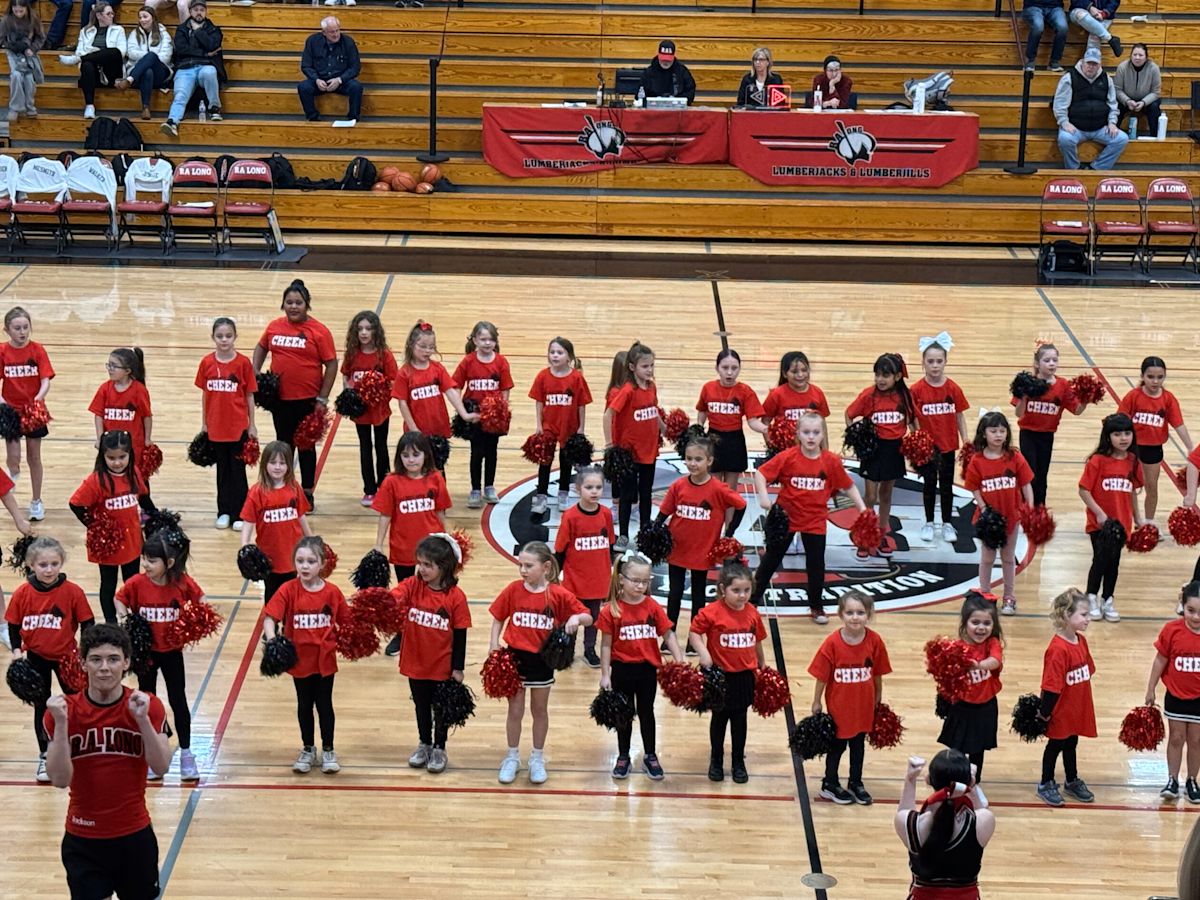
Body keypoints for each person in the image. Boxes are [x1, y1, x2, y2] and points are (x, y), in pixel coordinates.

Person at [44, 624, 172, 900]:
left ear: (126, 662)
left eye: (113, 659)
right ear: (83, 663)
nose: (105, 668)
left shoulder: (147, 705)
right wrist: (63, 725)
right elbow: (59, 779)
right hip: (82, 839)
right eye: (96, 659)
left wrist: (141, 721)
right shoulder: (62, 712)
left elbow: (161, 767)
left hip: (133, 836)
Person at [489, 541, 591, 785]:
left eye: (528, 565)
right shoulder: (513, 589)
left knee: (539, 710)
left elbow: (588, 616)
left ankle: (537, 757)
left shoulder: (557, 593)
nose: (523, 570)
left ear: (546, 567)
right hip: (514, 657)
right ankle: (512, 756)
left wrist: (576, 618)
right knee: (515, 710)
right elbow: (497, 617)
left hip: (542, 660)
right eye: (520, 565)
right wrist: (493, 644)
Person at [752, 411, 865, 623]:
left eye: (815, 432)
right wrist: (764, 498)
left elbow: (848, 486)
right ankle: (752, 600)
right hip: (785, 518)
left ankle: (816, 606)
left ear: (823, 434)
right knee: (771, 559)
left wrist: (862, 508)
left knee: (816, 564)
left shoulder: (830, 462)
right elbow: (761, 474)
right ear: (798, 434)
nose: (811, 437)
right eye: (806, 432)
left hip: (815, 521)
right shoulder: (788, 457)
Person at [114, 529, 205, 782]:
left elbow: (201, 599)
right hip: (147, 655)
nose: (145, 565)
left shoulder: (181, 582)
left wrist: (193, 620)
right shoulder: (136, 583)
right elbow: (119, 599)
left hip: (172, 652)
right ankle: (154, 755)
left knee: (178, 700)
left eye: (152, 561)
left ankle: (186, 753)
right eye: (144, 559)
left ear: (170, 563)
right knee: (148, 701)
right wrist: (125, 618)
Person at [5, 536, 93, 783]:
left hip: (68, 657)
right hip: (36, 658)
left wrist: (86, 653)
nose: (49, 569)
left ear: (62, 562)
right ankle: (45, 755)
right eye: (43, 565)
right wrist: (16, 652)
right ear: (31, 565)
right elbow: (13, 625)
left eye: (54, 563)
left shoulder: (73, 591)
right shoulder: (23, 593)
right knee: (41, 707)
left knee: (77, 703)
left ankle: (80, 750)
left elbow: (88, 622)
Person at [263, 536, 349, 775]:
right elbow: (270, 617)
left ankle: (329, 749)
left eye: (311, 561)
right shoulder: (288, 589)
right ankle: (308, 748)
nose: (305, 566)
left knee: (324, 705)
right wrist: (273, 641)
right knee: (304, 705)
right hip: (299, 660)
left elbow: (347, 622)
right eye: (300, 561)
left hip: (324, 660)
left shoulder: (333, 593)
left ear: (322, 564)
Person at [597, 552, 684, 781]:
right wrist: (605, 674)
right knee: (623, 714)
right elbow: (605, 645)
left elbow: (668, 633)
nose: (640, 585)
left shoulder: (652, 607)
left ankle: (650, 755)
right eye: (635, 581)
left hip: (647, 671)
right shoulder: (611, 610)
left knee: (647, 713)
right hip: (622, 670)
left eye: (645, 581)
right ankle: (623, 755)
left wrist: (680, 660)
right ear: (621, 579)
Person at [252, 279, 338, 509]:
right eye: (289, 302)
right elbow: (261, 347)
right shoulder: (274, 327)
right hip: (280, 400)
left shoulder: (319, 332)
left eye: (298, 302)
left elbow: (331, 364)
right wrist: (255, 373)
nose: (293, 306)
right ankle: (285, 489)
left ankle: (307, 493)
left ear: (307, 305)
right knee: (284, 445)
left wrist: (323, 397)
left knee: (306, 447)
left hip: (308, 400)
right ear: (283, 304)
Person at [394, 534, 470, 775]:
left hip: (441, 665)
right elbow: (396, 595)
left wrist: (457, 668)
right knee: (421, 705)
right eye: (420, 563)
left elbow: (460, 635)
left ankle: (440, 747)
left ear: (444, 566)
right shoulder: (413, 585)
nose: (422, 569)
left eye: (428, 565)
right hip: (414, 661)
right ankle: (424, 743)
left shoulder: (455, 597)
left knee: (441, 708)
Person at [658, 432, 745, 638]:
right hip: (677, 548)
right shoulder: (678, 485)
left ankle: (693, 637)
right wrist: (654, 530)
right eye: (689, 459)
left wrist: (729, 533)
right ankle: (669, 636)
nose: (693, 464)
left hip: (703, 550)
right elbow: (664, 513)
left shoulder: (718, 488)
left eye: (698, 459)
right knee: (675, 593)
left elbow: (741, 505)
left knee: (698, 596)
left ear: (709, 461)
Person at [809, 590, 892, 804]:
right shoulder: (832, 643)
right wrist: (816, 701)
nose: (855, 617)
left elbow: (878, 673)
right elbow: (821, 676)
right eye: (850, 612)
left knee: (858, 745)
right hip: (839, 707)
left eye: (860, 612)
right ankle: (829, 783)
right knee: (837, 746)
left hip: (863, 707)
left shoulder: (874, 641)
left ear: (869, 615)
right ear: (840, 614)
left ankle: (856, 781)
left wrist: (878, 698)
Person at [692, 561, 766, 783]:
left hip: (745, 676)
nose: (742, 595)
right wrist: (704, 654)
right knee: (719, 719)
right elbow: (694, 633)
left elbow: (757, 640)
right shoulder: (711, 612)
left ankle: (737, 761)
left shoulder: (752, 613)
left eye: (746, 590)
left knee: (740, 719)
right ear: (723, 589)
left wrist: (762, 664)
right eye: (736, 590)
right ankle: (716, 760)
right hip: (720, 676)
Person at [69, 430, 154, 624]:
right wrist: (96, 527)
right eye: (111, 458)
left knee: (132, 582)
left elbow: (144, 499)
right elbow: (75, 504)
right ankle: (111, 622)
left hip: (132, 540)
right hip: (109, 544)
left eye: (122, 457)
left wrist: (157, 520)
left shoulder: (134, 473)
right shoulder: (96, 480)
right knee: (108, 584)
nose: (117, 462)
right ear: (103, 456)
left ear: (130, 454)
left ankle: (134, 620)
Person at [895, 751, 995, 899]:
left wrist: (910, 779)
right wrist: (971, 785)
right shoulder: (982, 821)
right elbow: (981, 810)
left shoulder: (912, 824)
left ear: (928, 779)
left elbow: (903, 811)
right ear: (969, 782)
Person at [963, 411, 1034, 615]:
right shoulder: (977, 460)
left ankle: (1009, 597)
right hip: (989, 520)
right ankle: (985, 593)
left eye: (1002, 430)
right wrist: (984, 508)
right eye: (993, 431)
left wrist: (1028, 508)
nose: (998, 435)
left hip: (1011, 516)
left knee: (1008, 558)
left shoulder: (1015, 456)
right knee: (987, 558)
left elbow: (1026, 483)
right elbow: (974, 487)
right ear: (983, 434)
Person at [845, 353, 915, 559]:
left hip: (894, 450)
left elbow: (912, 421)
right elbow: (849, 414)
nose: (880, 380)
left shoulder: (904, 397)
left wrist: (918, 439)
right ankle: (865, 535)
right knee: (871, 496)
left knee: (886, 495)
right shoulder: (869, 396)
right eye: (877, 375)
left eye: (886, 375)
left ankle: (881, 533)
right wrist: (857, 436)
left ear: (898, 376)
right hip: (874, 450)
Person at [1078, 412, 1144, 623]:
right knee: (1100, 559)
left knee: (1113, 562)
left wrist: (1139, 519)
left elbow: (1132, 492)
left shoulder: (1133, 461)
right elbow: (1083, 490)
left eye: (1127, 433)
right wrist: (1099, 513)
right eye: (1117, 434)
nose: (1123, 438)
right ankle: (1091, 596)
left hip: (1122, 524)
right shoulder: (1097, 461)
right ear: (1108, 436)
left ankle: (1107, 598)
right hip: (1099, 524)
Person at [195, 316, 257, 530]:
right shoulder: (206, 363)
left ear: (235, 337)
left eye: (228, 336)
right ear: (213, 337)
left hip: (238, 426)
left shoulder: (243, 363)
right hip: (216, 427)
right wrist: (204, 422)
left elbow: (249, 395)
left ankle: (240, 514)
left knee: (238, 472)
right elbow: (205, 394)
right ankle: (223, 512)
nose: (224, 340)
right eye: (220, 336)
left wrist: (252, 424)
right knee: (222, 471)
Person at [1037, 588, 1097, 806]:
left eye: (1088, 614)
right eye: (1083, 615)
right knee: (1055, 745)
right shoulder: (1057, 650)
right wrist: (1044, 714)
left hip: (1077, 707)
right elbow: (1052, 687)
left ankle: (1071, 780)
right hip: (1060, 710)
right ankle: (1046, 782)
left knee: (1072, 743)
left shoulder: (1081, 642)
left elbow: (1088, 670)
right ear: (1065, 615)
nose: (1088, 619)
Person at [695, 348, 766, 531]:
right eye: (725, 367)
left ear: (739, 369)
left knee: (730, 492)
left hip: (734, 442)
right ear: (717, 367)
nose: (729, 372)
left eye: (734, 368)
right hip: (713, 441)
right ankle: (713, 530)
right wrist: (698, 427)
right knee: (715, 489)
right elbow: (702, 410)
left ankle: (728, 534)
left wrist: (768, 429)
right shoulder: (708, 388)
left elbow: (752, 421)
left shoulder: (745, 391)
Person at [603, 341, 665, 552]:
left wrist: (666, 430)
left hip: (649, 450)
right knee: (628, 496)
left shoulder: (652, 387)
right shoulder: (628, 390)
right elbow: (609, 414)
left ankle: (645, 532)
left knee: (646, 493)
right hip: (629, 453)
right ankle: (623, 536)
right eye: (645, 366)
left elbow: (654, 412)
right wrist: (610, 444)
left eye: (651, 366)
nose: (649, 370)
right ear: (632, 368)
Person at [909, 333, 969, 544]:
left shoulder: (953, 388)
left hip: (947, 446)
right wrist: (918, 440)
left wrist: (966, 440)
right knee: (928, 485)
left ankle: (946, 523)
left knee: (946, 486)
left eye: (939, 361)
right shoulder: (915, 390)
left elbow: (960, 415)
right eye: (930, 361)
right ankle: (928, 522)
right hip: (927, 449)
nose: (935, 366)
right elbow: (911, 418)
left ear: (946, 362)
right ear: (923, 363)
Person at [938, 592, 1004, 784]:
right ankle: (952, 782)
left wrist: (978, 664)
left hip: (985, 707)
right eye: (975, 622)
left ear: (993, 626)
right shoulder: (956, 648)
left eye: (987, 623)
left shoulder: (992, 643)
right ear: (965, 623)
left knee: (978, 751)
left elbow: (995, 661)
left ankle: (974, 783)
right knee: (956, 750)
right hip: (961, 707)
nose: (981, 628)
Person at [1012, 341, 1088, 507]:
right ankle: (1026, 508)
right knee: (1028, 473)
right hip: (1028, 434)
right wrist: (1024, 396)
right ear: (1037, 364)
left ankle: (1040, 509)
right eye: (1047, 360)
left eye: (1055, 360)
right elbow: (1018, 413)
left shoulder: (1063, 385)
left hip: (1047, 435)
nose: (1052, 363)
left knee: (1041, 475)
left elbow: (1077, 410)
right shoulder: (1028, 382)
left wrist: (1087, 399)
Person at [372, 431, 451, 584]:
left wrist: (446, 538)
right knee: (406, 588)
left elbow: (440, 510)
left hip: (431, 545)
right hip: (403, 547)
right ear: (399, 457)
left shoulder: (436, 478)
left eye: (416, 454)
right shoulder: (391, 482)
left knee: (431, 587)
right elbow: (385, 515)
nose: (411, 460)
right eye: (406, 455)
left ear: (425, 455)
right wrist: (378, 544)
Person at [1118, 356, 1191, 522]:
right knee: (1129, 486)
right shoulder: (1133, 396)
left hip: (1153, 449)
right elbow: (1119, 422)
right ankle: (1135, 521)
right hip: (1131, 448)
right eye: (1150, 377)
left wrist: (1190, 448)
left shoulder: (1168, 399)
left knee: (1151, 486)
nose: (1155, 381)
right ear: (1142, 376)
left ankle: (1149, 523)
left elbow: (1178, 424)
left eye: (1160, 377)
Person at [554, 465, 612, 668]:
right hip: (575, 578)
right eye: (589, 487)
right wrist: (555, 575)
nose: (594, 491)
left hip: (599, 577)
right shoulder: (570, 516)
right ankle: (566, 649)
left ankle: (589, 649)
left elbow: (610, 545)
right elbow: (560, 548)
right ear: (578, 489)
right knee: (572, 615)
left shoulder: (606, 514)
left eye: (598, 487)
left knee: (593, 616)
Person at [1146, 581, 1200, 803]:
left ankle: (1192, 780)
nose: (1196, 617)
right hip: (1176, 697)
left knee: (1196, 741)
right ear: (1182, 606)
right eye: (1191, 610)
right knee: (1176, 738)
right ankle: (1172, 779)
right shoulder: (1171, 630)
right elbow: (1160, 660)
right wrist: (1151, 688)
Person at [391, 320, 476, 459]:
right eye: (423, 346)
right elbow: (402, 404)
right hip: (417, 432)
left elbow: (451, 392)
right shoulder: (404, 373)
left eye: (431, 347)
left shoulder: (437, 369)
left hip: (438, 429)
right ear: (411, 344)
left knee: (439, 471)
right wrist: (415, 431)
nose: (427, 351)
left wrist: (464, 414)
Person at [240, 440, 313, 602]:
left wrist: (312, 540)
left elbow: (301, 516)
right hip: (270, 558)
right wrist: (244, 545)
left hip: (294, 555)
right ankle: (271, 626)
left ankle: (289, 626)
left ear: (289, 465)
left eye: (282, 463)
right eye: (273, 463)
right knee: (273, 598)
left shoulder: (294, 487)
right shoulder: (257, 492)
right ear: (265, 464)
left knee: (294, 596)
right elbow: (248, 521)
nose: (278, 467)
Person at [453, 321, 513, 510]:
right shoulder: (468, 361)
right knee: (476, 452)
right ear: (475, 340)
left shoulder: (501, 362)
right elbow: (455, 386)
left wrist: (500, 410)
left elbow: (505, 388)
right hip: (474, 417)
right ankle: (475, 489)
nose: (487, 343)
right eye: (483, 339)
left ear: (496, 341)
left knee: (492, 451)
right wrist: (464, 411)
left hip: (493, 417)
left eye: (491, 339)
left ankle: (489, 487)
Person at [0, 305, 53, 518]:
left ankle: (36, 501)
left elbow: (45, 380)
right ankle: (12, 477)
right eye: (17, 328)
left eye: (25, 327)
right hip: (10, 411)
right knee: (13, 457)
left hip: (33, 410)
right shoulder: (2, 351)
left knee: (34, 457)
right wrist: (2, 403)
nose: (22, 332)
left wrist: (37, 400)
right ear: (7, 330)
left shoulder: (37, 349)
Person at [528, 336, 591, 515]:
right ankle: (541, 496)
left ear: (569, 356)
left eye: (560, 353)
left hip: (569, 427)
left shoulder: (576, 378)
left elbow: (581, 404)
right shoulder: (542, 376)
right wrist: (539, 424)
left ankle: (563, 493)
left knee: (566, 462)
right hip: (549, 426)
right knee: (545, 462)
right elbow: (539, 401)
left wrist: (581, 428)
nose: (555, 356)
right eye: (552, 352)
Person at [340, 310, 398, 506]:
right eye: (360, 329)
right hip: (361, 411)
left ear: (376, 331)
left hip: (380, 410)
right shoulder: (352, 355)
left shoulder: (385, 355)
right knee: (365, 447)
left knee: (381, 446)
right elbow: (346, 377)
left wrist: (379, 392)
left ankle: (384, 487)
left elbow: (393, 381)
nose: (364, 333)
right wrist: (349, 395)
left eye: (368, 329)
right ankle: (369, 489)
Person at [88, 347, 152, 497]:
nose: (110, 369)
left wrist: (147, 439)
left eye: (114, 366)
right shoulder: (105, 389)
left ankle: (146, 511)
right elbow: (98, 415)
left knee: (138, 478)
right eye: (108, 365)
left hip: (132, 446)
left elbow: (146, 416)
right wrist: (100, 438)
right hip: (109, 445)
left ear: (128, 370)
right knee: (104, 476)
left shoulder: (139, 390)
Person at [1054, 47, 1129, 171]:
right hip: (1076, 127)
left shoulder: (1107, 79)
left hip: (1100, 128)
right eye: (1089, 63)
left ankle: (1097, 168)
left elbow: (1113, 104)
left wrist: (1112, 122)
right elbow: (1060, 103)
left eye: (1095, 64)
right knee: (1064, 139)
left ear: (1099, 65)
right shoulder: (1069, 77)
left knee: (1122, 139)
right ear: (1083, 62)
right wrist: (1064, 122)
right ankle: (1073, 169)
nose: (1091, 66)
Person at [161, 0, 222, 137]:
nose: (199, 12)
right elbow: (181, 50)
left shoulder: (214, 29)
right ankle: (172, 122)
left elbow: (212, 45)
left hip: (205, 66)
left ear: (206, 12)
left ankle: (214, 109)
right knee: (180, 95)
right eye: (196, 9)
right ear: (190, 11)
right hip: (185, 68)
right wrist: (205, 54)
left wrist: (198, 32)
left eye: (202, 10)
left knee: (210, 72)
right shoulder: (181, 29)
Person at [61, 1, 125, 120]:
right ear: (99, 15)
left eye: (112, 13)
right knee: (87, 64)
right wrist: (94, 54)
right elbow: (80, 50)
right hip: (93, 72)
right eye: (108, 13)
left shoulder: (118, 30)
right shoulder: (86, 31)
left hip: (111, 71)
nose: (112, 15)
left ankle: (77, 60)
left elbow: (121, 52)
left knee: (114, 51)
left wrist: (92, 53)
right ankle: (89, 106)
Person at [298, 16, 362, 122]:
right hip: (320, 80)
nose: (336, 34)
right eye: (332, 32)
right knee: (303, 87)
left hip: (341, 81)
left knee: (356, 87)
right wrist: (316, 79)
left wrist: (340, 80)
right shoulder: (312, 41)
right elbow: (306, 66)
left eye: (337, 30)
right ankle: (313, 117)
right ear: (324, 32)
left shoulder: (348, 42)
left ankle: (353, 118)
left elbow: (355, 67)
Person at [118, 5, 172, 121]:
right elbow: (131, 52)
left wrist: (149, 58)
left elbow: (166, 57)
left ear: (153, 18)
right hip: (140, 73)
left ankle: (129, 80)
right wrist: (146, 59)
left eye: (145, 16)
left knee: (152, 56)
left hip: (160, 73)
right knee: (147, 71)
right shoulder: (134, 33)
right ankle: (145, 108)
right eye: (140, 17)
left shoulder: (163, 34)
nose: (142, 20)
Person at [0, 0, 45, 122]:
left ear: (26, 9)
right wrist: (9, 45)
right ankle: (15, 107)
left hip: (28, 52)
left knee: (29, 77)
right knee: (16, 75)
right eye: (16, 10)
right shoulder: (6, 20)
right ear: (12, 8)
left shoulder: (33, 18)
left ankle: (29, 105)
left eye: (21, 10)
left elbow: (40, 37)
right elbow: (1, 38)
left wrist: (33, 49)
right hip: (13, 52)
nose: (18, 13)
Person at [762, 350, 830, 426]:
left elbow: (822, 422)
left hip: (811, 438)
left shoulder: (818, 393)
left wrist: (824, 438)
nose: (800, 375)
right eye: (794, 372)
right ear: (785, 373)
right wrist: (770, 438)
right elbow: (765, 421)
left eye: (804, 370)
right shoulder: (776, 394)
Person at [1113, 44, 1161, 135]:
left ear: (1146, 57)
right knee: (1115, 106)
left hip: (1146, 101)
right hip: (1126, 99)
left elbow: (1156, 92)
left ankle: (1155, 136)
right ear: (1131, 56)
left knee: (1155, 107)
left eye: (1140, 55)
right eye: (1134, 55)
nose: (1137, 58)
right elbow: (1117, 89)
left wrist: (1143, 102)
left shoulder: (1154, 68)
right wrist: (1127, 101)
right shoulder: (1122, 67)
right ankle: (1112, 134)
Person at [639, 39, 695, 104]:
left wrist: (677, 101)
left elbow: (690, 92)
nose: (665, 62)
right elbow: (640, 95)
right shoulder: (648, 73)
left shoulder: (682, 72)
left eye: (668, 60)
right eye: (663, 59)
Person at [1022, 0, 1068, 72]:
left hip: (1055, 7)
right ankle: (1030, 60)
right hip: (1033, 6)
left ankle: (1054, 61)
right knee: (1038, 26)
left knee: (1063, 28)